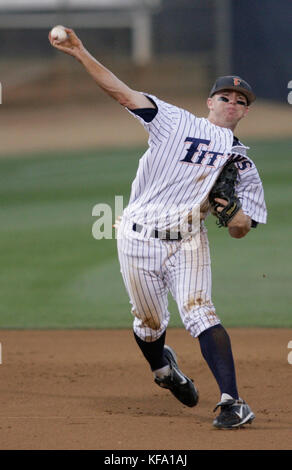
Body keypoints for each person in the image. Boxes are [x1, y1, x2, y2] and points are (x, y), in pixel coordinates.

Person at [49, 28, 267, 429]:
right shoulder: (174, 121)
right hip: (136, 238)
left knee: (200, 312)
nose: (232, 103)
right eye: (225, 97)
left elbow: (241, 228)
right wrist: (80, 52)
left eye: (241, 101)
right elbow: (121, 92)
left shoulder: (242, 165)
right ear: (210, 103)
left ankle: (232, 401)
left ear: (245, 112)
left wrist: (230, 209)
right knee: (149, 326)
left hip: (188, 242)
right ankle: (165, 370)